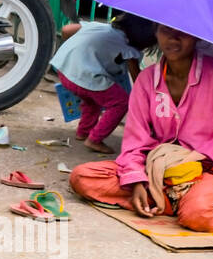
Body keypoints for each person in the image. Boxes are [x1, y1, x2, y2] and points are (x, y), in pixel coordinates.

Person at [69, 23, 213, 233]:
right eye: (166, 30)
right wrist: (135, 181)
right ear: (156, 33)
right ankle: (173, 200)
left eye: (182, 32)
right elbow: (135, 141)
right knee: (82, 176)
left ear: (197, 37)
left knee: (199, 216)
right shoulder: (146, 81)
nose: (173, 38)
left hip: (209, 171)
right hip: (162, 170)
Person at [51, 14, 158, 154]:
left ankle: (83, 132)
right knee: (121, 102)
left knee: (92, 101)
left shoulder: (97, 26)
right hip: (85, 75)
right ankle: (94, 139)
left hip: (63, 68)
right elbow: (137, 79)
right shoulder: (128, 48)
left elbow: (66, 30)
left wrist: (79, 51)